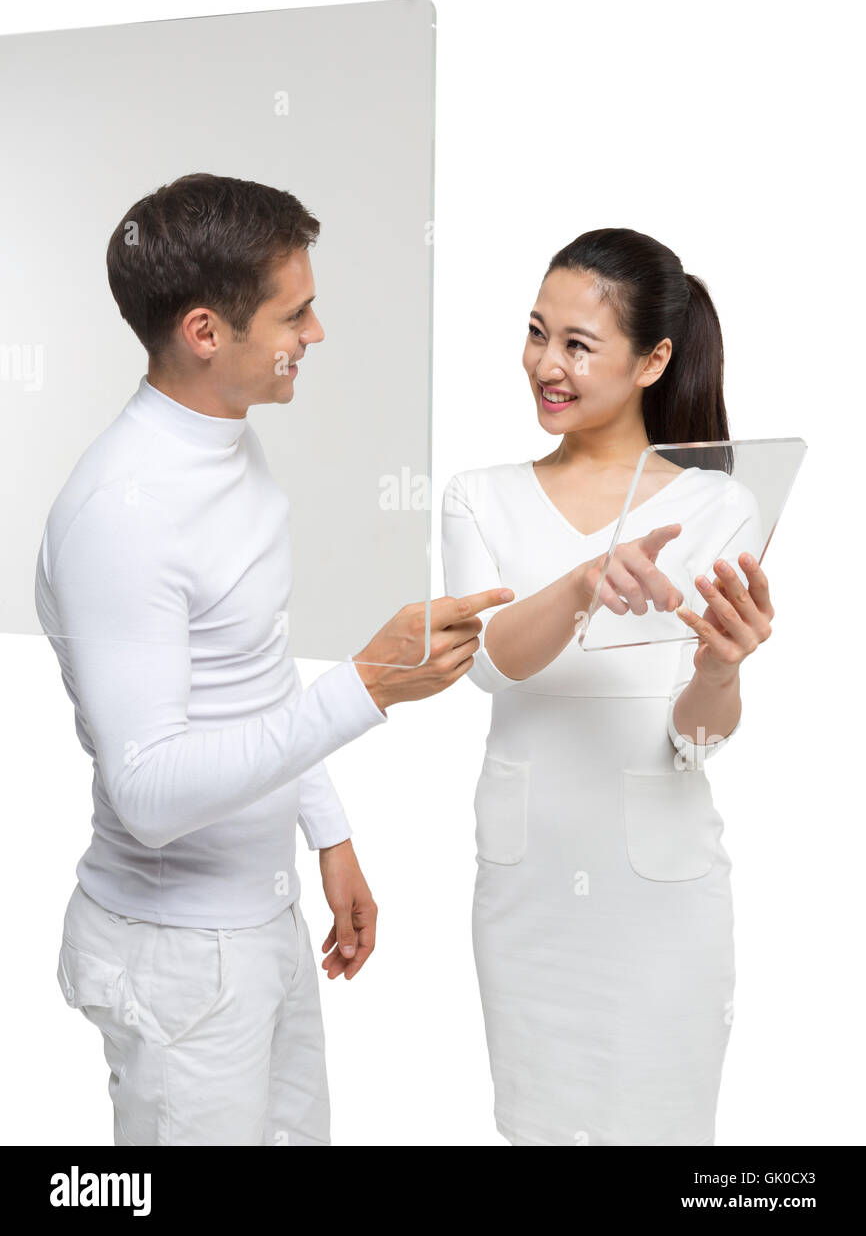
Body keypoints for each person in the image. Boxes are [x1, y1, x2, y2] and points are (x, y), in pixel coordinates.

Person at [36, 171, 512, 1146]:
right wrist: (365, 687)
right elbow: (151, 793)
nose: (316, 333)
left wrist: (327, 832)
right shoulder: (120, 514)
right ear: (206, 332)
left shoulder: (225, 445)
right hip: (179, 957)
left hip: (262, 923)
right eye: (296, 313)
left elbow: (246, 674)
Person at [440, 227, 774, 1147]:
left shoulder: (716, 506)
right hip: (529, 894)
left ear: (653, 360)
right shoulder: (481, 495)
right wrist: (587, 579)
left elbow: (696, 739)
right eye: (537, 332)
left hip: (661, 895)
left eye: (578, 344)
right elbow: (486, 659)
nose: (546, 363)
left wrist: (720, 669)